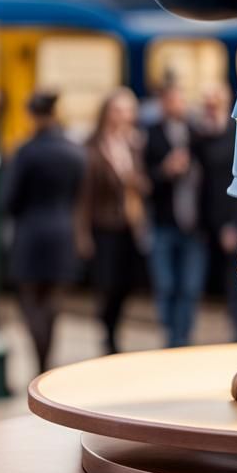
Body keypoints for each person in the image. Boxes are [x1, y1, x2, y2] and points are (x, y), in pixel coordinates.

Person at [1, 90, 85, 373]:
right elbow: (78, 193)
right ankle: (46, 363)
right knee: (52, 303)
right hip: (63, 231)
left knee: (30, 302)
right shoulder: (73, 151)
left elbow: (9, 200)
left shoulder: (26, 152)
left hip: (31, 233)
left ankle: (40, 363)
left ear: (33, 115)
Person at [76, 87, 149, 354]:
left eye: (129, 110)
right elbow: (84, 195)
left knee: (126, 282)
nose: (125, 116)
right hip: (103, 225)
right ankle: (108, 334)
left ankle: (114, 328)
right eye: (119, 110)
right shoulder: (93, 146)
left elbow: (142, 182)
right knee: (106, 283)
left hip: (129, 224)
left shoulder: (134, 143)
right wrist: (82, 233)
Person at [192, 83, 237, 342]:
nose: (210, 106)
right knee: (231, 283)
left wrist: (234, 223)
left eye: (215, 101)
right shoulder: (203, 135)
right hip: (214, 220)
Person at [142, 79, 207, 347]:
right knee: (166, 285)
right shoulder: (151, 135)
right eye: (171, 101)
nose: (177, 105)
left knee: (190, 287)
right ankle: (171, 336)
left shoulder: (195, 133)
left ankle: (183, 338)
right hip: (163, 223)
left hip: (194, 223)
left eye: (180, 100)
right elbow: (144, 181)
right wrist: (165, 171)